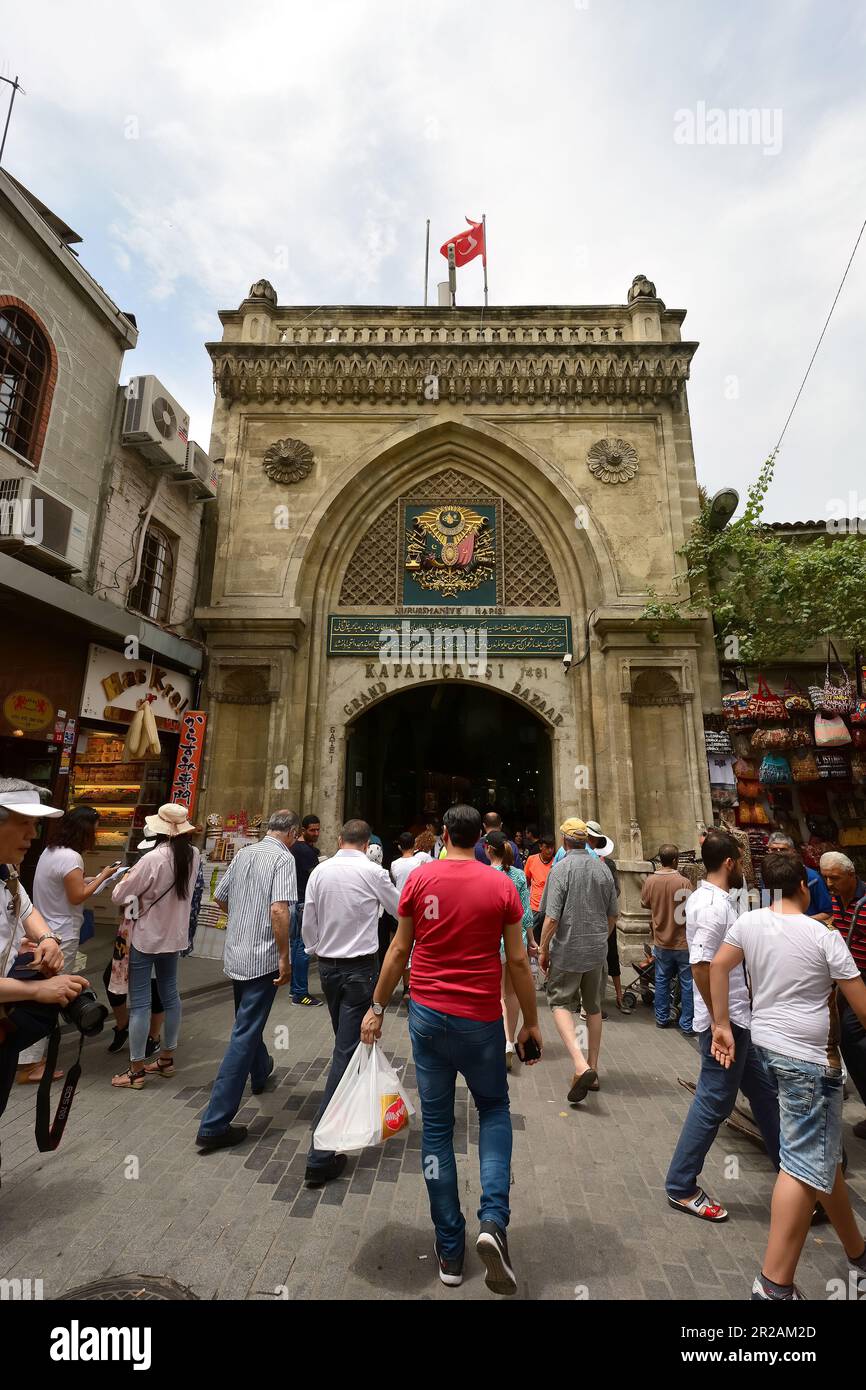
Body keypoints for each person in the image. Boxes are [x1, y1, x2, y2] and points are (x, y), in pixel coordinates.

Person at [361, 804, 542, 1295]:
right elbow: (520, 962)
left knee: (437, 1129)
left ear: (443, 835)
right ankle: (493, 1222)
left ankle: (448, 1248)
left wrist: (377, 1007)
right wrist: (529, 1023)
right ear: (481, 841)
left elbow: (399, 950)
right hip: (481, 1022)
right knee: (494, 1111)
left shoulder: (419, 881)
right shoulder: (501, 885)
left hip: (427, 1018)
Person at [710, 852, 866, 1300]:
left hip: (767, 1049)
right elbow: (859, 1003)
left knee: (822, 1156)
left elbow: (718, 966)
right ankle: (774, 1284)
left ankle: (857, 1253)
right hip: (807, 1059)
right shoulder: (822, 935)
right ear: (803, 887)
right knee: (801, 1165)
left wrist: (722, 1023)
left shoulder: (749, 923)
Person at [665, 829, 780, 1222]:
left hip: (736, 1018)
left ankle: (793, 1174)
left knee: (764, 1094)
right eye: (740, 860)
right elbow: (701, 964)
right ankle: (681, 1185)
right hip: (726, 1021)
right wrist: (720, 1023)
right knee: (714, 1100)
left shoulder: (713, 899)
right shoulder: (712, 906)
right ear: (729, 862)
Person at [302, 818, 399, 1187]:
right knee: (345, 1054)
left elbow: (308, 919)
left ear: (340, 839)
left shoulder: (320, 872)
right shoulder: (373, 873)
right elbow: (398, 910)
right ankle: (320, 1153)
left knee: (347, 1046)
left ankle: (346, 1121)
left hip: (328, 970)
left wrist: (315, 949)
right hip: (360, 971)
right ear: (366, 842)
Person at [196, 810, 299, 1152]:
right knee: (244, 1033)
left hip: (237, 953)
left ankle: (261, 1070)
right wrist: (285, 957)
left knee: (246, 1023)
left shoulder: (244, 853)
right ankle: (214, 1123)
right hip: (262, 958)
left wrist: (241, 919)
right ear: (293, 833)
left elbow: (221, 897)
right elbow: (279, 910)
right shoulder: (284, 859)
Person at [0, 780, 87, 1133]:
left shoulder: (6, 871)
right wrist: (38, 992)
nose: (33, 834)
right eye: (24, 823)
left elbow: (26, 910)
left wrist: (47, 937)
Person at [16, 806, 118, 1083]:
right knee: (51, 996)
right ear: (85, 829)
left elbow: (64, 886)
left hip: (44, 931)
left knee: (35, 992)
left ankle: (26, 1057)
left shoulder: (50, 851)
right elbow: (76, 896)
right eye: (95, 828)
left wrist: (93, 878)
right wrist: (103, 877)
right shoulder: (72, 857)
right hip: (61, 934)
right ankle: (31, 1063)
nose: (96, 835)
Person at [109, 804, 200, 1090]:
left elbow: (118, 895)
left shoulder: (153, 858)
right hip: (174, 937)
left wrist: (125, 877)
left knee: (140, 1004)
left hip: (146, 937)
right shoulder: (194, 855)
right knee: (170, 995)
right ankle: (166, 1059)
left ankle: (135, 1071)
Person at [538, 818, 618, 1102]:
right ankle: (593, 1067)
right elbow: (613, 916)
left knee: (559, 1002)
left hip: (568, 951)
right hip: (596, 952)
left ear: (564, 840)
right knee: (593, 1008)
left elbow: (551, 917)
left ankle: (580, 1063)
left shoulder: (560, 869)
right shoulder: (603, 869)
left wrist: (543, 948)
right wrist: (600, 938)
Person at [821, 851, 866, 1132]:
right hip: (847, 981)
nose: (829, 884)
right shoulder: (837, 901)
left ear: (851, 875)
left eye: (834, 878)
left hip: (861, 981)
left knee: (852, 1037)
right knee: (846, 1039)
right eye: (826, 877)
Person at [484, 830, 536, 1069]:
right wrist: (532, 940)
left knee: (493, 994)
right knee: (511, 994)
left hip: (491, 943)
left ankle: (493, 1041)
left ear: (487, 849)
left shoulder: (483, 876)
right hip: (516, 943)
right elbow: (526, 914)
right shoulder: (517, 875)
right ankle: (508, 1040)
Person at [640, 844, 694, 1033]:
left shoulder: (650, 881)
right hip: (682, 941)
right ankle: (687, 1023)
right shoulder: (684, 882)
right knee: (687, 983)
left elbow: (645, 903)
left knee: (662, 979)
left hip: (661, 939)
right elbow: (691, 911)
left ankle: (661, 1017)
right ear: (674, 860)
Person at [586, 820, 627, 1015]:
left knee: (609, 957)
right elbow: (616, 891)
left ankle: (614, 997)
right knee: (604, 957)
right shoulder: (587, 861)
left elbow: (615, 890)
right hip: (603, 917)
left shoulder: (606, 864)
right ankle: (594, 1001)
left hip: (600, 918)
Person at [288, 815, 323, 1007]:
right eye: (312, 830)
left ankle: (295, 989)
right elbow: (315, 878)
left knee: (296, 946)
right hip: (303, 904)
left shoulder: (298, 848)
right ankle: (300, 993)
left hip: (296, 902)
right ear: (303, 830)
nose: (316, 833)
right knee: (302, 948)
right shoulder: (303, 851)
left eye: (318, 830)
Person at [762, 832, 832, 919]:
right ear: (768, 851)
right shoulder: (766, 877)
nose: (778, 854)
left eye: (783, 849)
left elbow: (827, 913)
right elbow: (765, 906)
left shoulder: (812, 877)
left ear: (793, 852)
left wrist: (799, 922)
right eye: (774, 850)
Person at [524, 834, 555, 943]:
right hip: (534, 906)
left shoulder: (556, 863)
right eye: (547, 847)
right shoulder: (531, 860)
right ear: (541, 847)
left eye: (552, 847)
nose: (550, 850)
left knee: (548, 940)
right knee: (531, 938)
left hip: (550, 908)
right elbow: (526, 881)